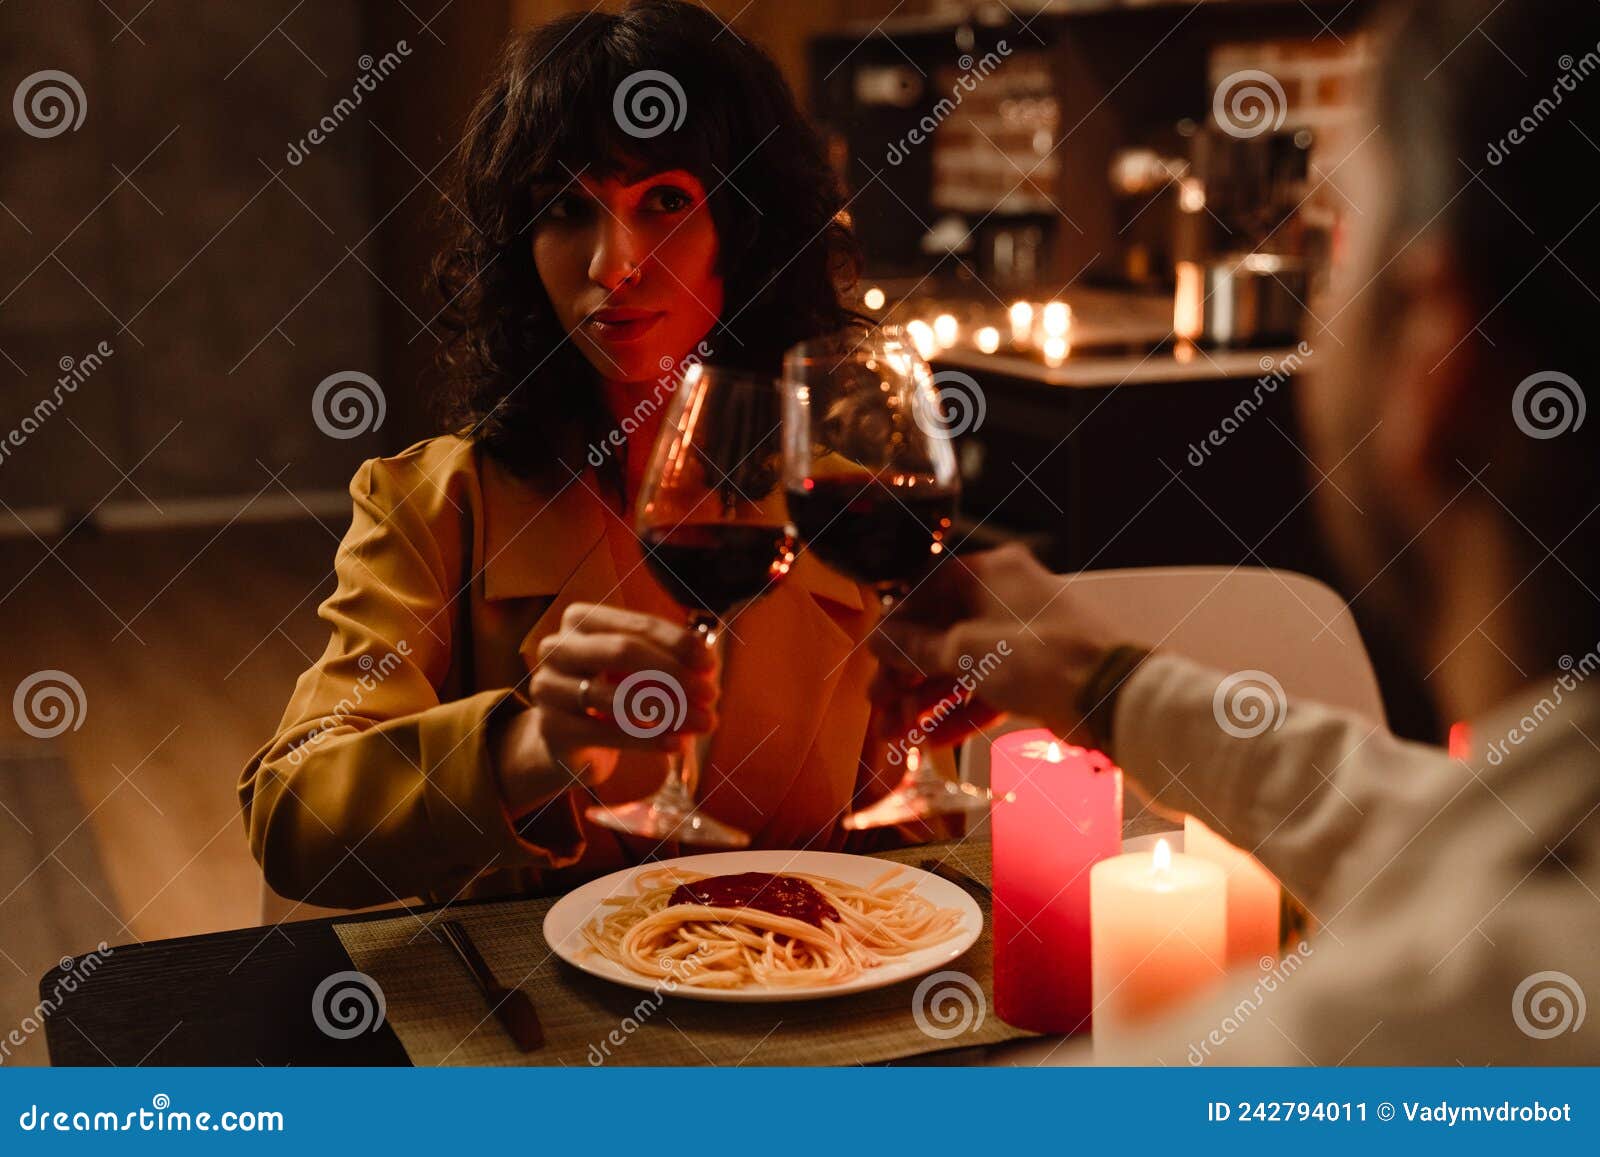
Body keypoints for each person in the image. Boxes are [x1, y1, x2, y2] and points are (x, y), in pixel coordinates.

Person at [871, 0, 1599, 1064]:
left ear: (1438, 362)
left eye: (1338, 235)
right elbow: (1449, 834)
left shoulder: (1373, 1049)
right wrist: (1104, 678)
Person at [241, 0, 939, 910]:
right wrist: (529, 746)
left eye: (665, 201)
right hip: (537, 1037)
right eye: (567, 208)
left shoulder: (848, 501)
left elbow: (916, 855)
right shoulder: (438, 502)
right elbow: (292, 818)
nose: (614, 264)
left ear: (751, 229)